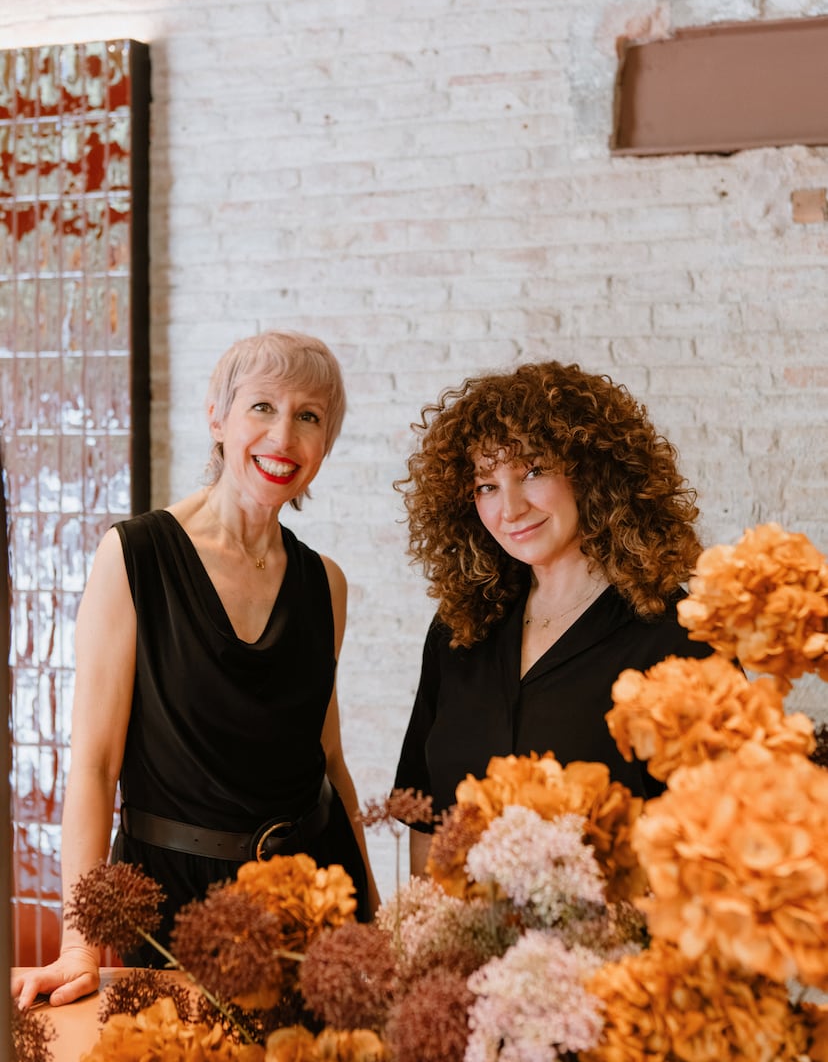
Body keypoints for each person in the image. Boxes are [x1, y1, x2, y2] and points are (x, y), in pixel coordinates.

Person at [14, 330, 379, 1009]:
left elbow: (329, 759)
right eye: (262, 407)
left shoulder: (325, 583)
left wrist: (375, 925)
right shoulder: (134, 556)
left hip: (314, 892)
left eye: (309, 416)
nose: (284, 436)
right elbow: (94, 763)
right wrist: (78, 945)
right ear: (217, 418)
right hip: (176, 903)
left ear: (325, 443)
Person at [393, 359, 714, 876]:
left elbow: (714, 847)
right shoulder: (460, 627)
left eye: (533, 472)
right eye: (486, 485)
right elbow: (425, 815)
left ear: (592, 471)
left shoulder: (678, 636)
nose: (510, 509)